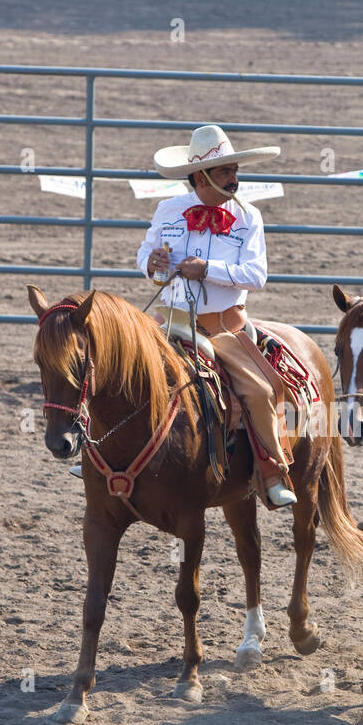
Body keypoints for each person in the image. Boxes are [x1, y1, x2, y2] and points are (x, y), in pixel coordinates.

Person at [136, 125, 297, 509]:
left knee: (259, 391)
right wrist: (152, 264)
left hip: (224, 328)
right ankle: (104, 457)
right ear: (201, 177)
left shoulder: (249, 218)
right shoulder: (167, 210)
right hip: (169, 322)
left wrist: (207, 268)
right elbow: (145, 256)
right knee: (121, 373)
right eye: (225, 172)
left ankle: (272, 471)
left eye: (234, 170)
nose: (234, 178)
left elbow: (257, 275)